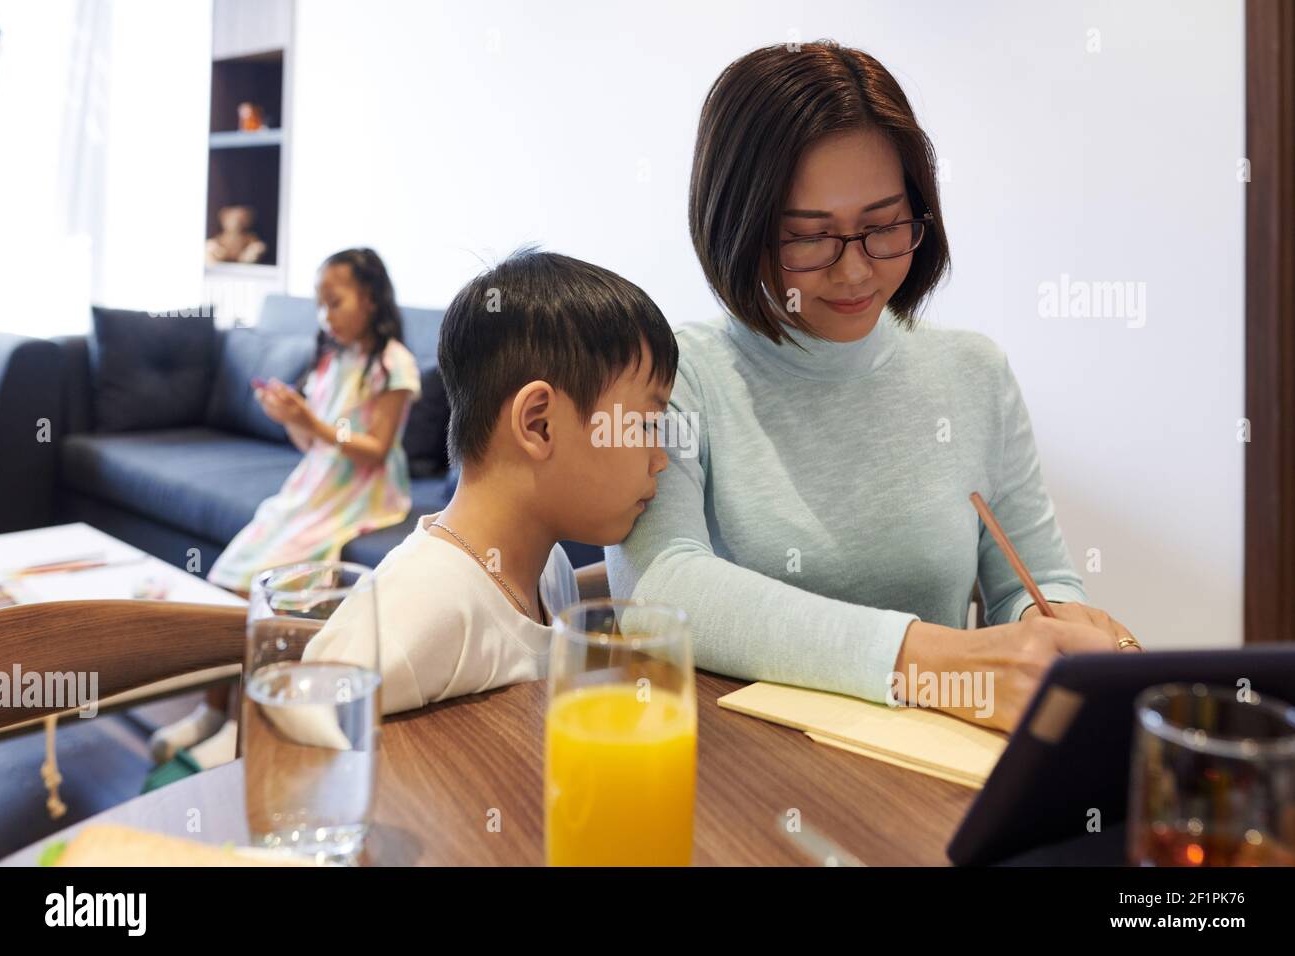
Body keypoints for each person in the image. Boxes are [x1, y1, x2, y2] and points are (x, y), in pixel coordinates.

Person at [607, 41, 1140, 734]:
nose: (855, 271)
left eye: (884, 226)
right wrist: (933, 661)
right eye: (809, 238)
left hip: (928, 779)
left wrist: (1053, 628)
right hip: (738, 782)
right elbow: (660, 590)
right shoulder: (676, 377)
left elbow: (1031, 585)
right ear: (734, 227)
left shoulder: (973, 374)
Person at [305, 248, 677, 714]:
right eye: (644, 425)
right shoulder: (422, 607)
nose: (661, 459)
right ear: (539, 424)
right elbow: (296, 733)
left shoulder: (548, 569)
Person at [150, 247, 421, 768]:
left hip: (362, 490)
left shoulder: (393, 364)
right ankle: (212, 712)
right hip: (315, 481)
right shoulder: (331, 359)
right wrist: (290, 418)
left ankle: (233, 726)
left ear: (370, 299)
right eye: (319, 305)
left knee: (262, 585)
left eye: (335, 302)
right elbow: (312, 446)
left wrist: (314, 422)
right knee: (228, 572)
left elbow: (375, 448)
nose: (325, 316)